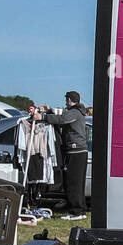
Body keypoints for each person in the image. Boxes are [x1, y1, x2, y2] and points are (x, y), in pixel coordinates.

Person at [37, 91, 88, 220]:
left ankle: (76, 211)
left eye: (66, 99)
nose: (65, 101)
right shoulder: (74, 111)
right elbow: (61, 113)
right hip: (76, 151)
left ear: (70, 100)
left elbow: (62, 119)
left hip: (76, 152)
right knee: (75, 182)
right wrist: (49, 110)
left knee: (73, 182)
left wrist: (42, 117)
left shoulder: (75, 113)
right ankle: (80, 210)